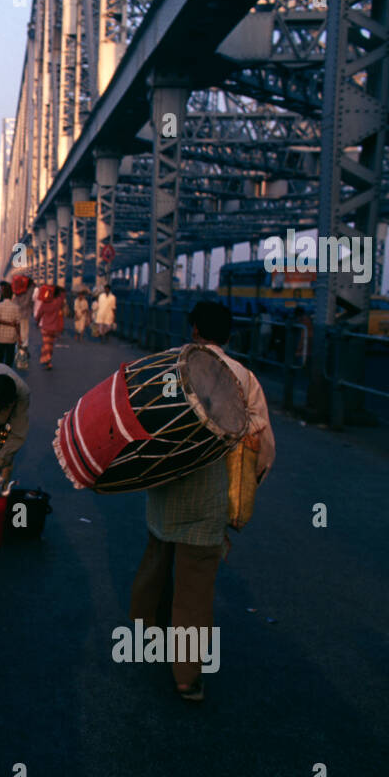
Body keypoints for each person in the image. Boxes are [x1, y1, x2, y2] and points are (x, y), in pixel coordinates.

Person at [127, 301, 275, 702]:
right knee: (195, 587)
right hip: (212, 495)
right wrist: (248, 485)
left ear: (193, 330)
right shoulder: (243, 378)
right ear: (229, 336)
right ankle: (186, 678)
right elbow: (263, 446)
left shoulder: (167, 366)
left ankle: (144, 639)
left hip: (166, 486)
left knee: (156, 561)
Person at [0, 282, 23, 367]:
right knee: (9, 362)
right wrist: (20, 337)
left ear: (2, 294)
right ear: (12, 295)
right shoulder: (16, 307)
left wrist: (8, 323)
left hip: (0, 337)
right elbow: (17, 324)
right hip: (11, 338)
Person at [36, 283, 65, 369]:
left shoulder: (45, 303)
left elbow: (39, 314)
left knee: (46, 344)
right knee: (50, 345)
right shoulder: (58, 302)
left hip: (45, 327)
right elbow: (62, 299)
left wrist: (37, 322)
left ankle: (48, 361)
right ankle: (48, 360)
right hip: (54, 327)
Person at [12, 274, 34, 357]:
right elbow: (27, 301)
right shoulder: (29, 289)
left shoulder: (18, 289)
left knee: (17, 331)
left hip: (17, 312)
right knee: (25, 331)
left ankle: (17, 349)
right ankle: (23, 350)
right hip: (25, 313)